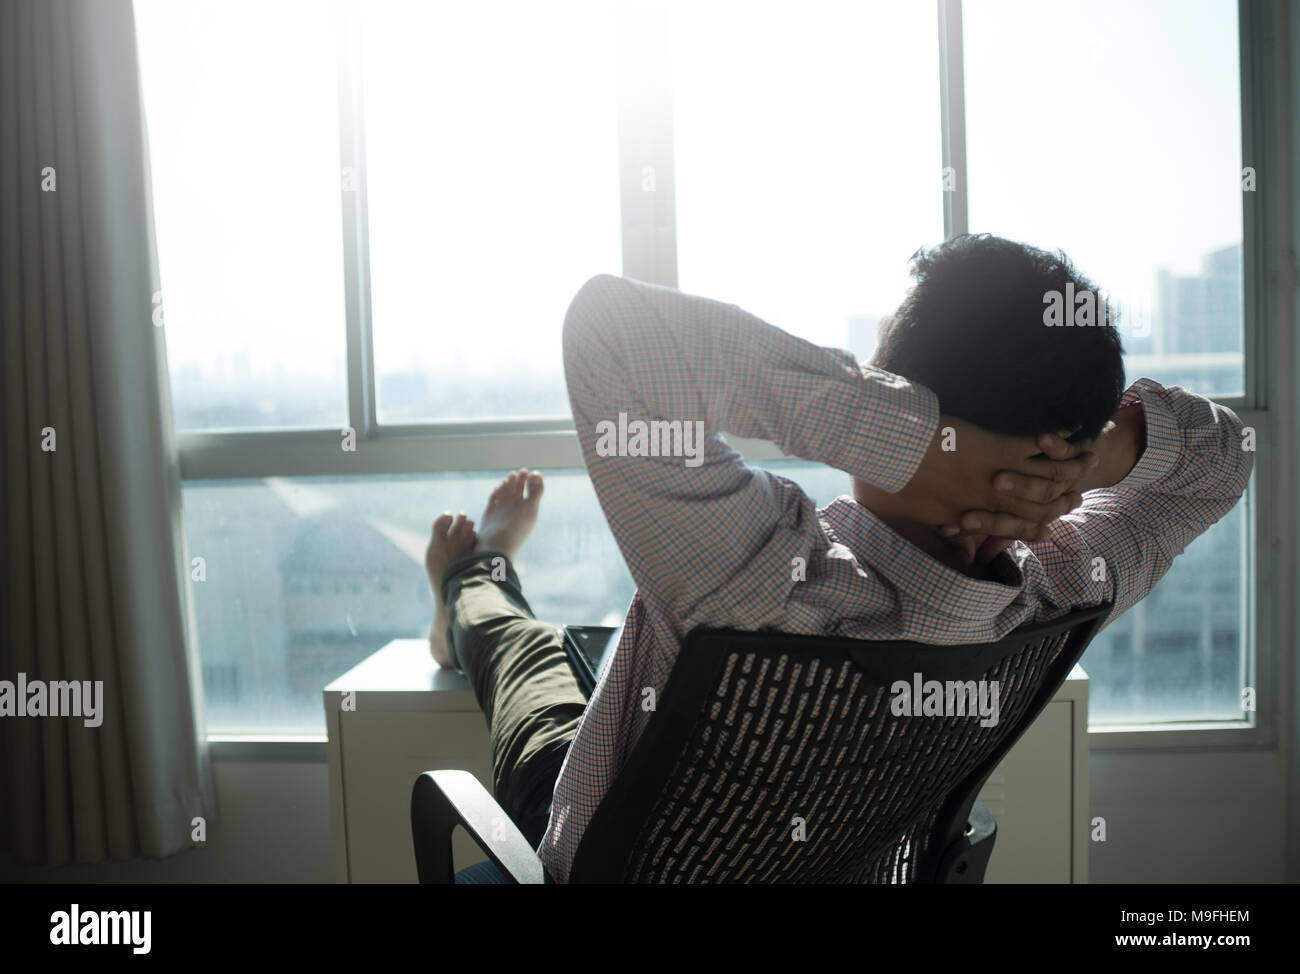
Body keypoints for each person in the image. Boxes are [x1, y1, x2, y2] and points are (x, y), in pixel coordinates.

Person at [423, 233, 1254, 883]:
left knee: (527, 663)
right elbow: (1231, 455)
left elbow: (614, 334)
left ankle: (477, 576)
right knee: (601, 657)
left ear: (902, 405)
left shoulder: (759, 572)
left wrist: (924, 446)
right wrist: (1091, 460)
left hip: (592, 843)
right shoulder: (1058, 591)